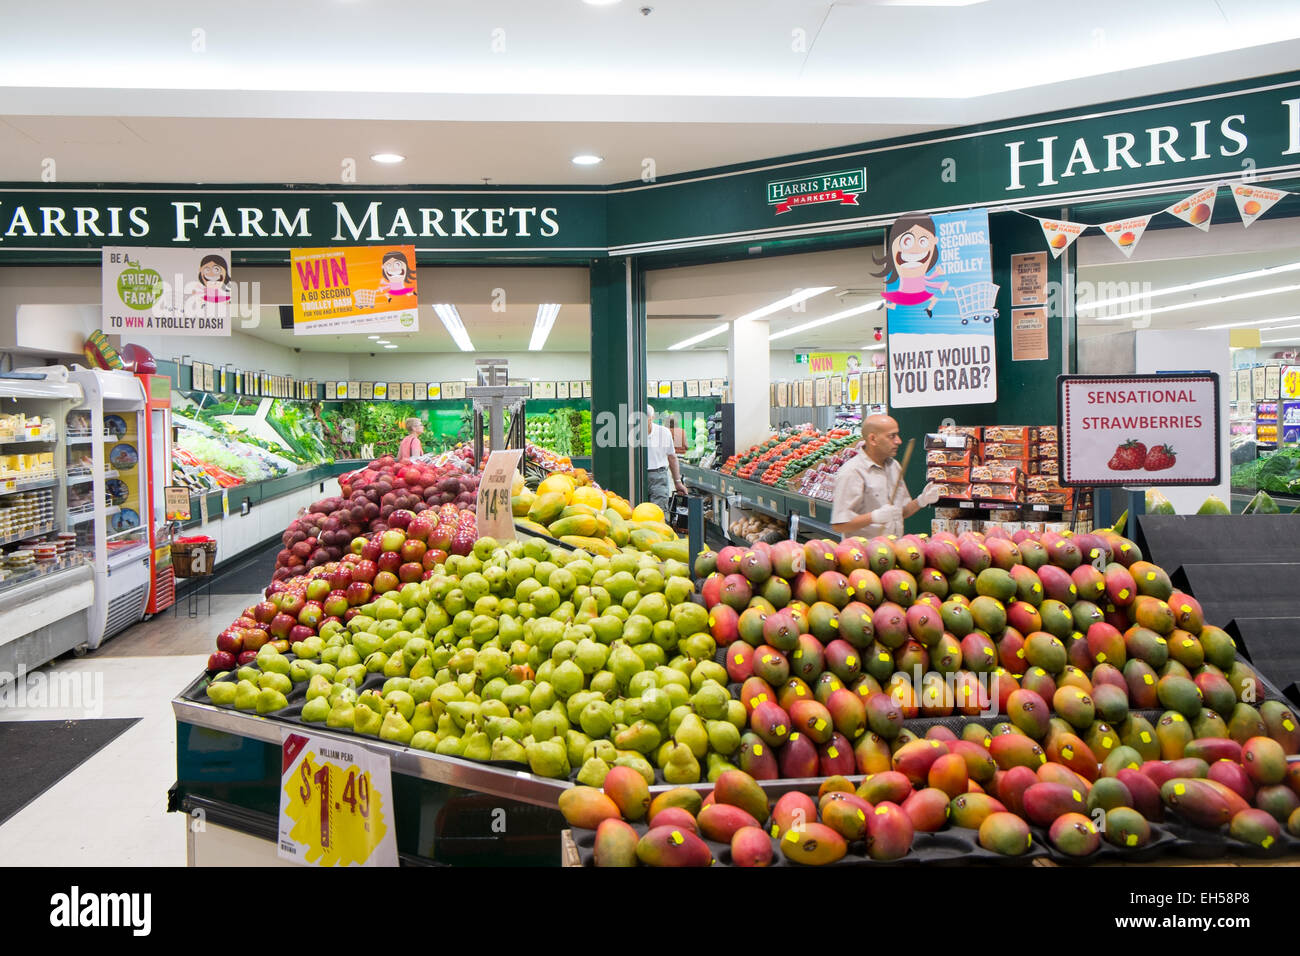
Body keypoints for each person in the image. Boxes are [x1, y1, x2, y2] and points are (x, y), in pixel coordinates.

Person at [830, 414, 940, 539]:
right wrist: (874, 517)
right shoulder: (852, 471)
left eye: (897, 435)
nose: (899, 441)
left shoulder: (894, 466)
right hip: (865, 555)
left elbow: (900, 512)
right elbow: (839, 524)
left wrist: (921, 501)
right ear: (873, 439)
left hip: (894, 551)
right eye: (892, 436)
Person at [646, 405, 687, 512]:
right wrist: (677, 482)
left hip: (658, 476)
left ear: (652, 417)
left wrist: (677, 481)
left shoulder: (664, 432)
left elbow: (672, 457)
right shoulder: (667, 432)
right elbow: (672, 457)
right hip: (647, 476)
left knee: (657, 513)